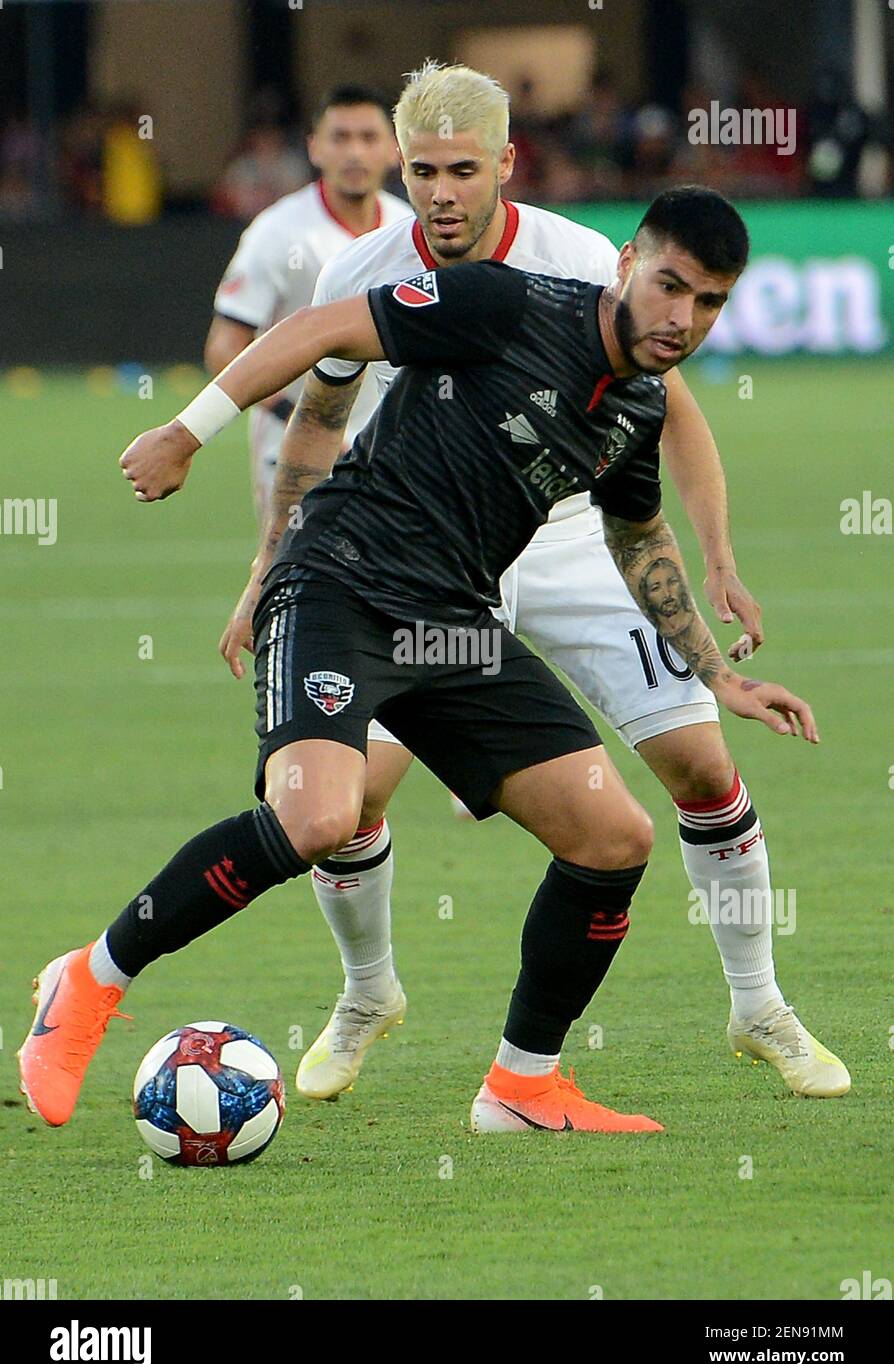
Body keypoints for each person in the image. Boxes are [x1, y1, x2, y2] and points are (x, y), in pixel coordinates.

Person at [19, 186, 818, 1137]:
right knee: (319, 817)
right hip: (339, 585)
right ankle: (89, 979)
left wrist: (719, 677)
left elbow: (640, 538)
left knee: (614, 838)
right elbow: (318, 329)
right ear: (626, 263)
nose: (683, 318)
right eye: (670, 285)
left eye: (710, 302)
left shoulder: (637, 406)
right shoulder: (506, 302)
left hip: (450, 624)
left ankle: (520, 1089)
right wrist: (187, 432)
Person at [217, 63, 849, 1104]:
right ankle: (368, 991)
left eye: (465, 169)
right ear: (397, 168)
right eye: (423, 172)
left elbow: (669, 414)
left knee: (700, 764)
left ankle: (759, 1004)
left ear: (506, 161)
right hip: (419, 557)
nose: (442, 193)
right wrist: (267, 570)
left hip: (565, 536)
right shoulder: (361, 272)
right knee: (355, 789)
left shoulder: (583, 258)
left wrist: (720, 555)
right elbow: (316, 430)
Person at [206, 86, 410, 521]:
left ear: (395, 150)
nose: (354, 152)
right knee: (288, 580)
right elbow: (224, 346)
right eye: (340, 137)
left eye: (368, 137)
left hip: (391, 452)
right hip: (295, 450)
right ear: (314, 148)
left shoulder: (412, 230)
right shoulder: (276, 232)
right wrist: (301, 414)